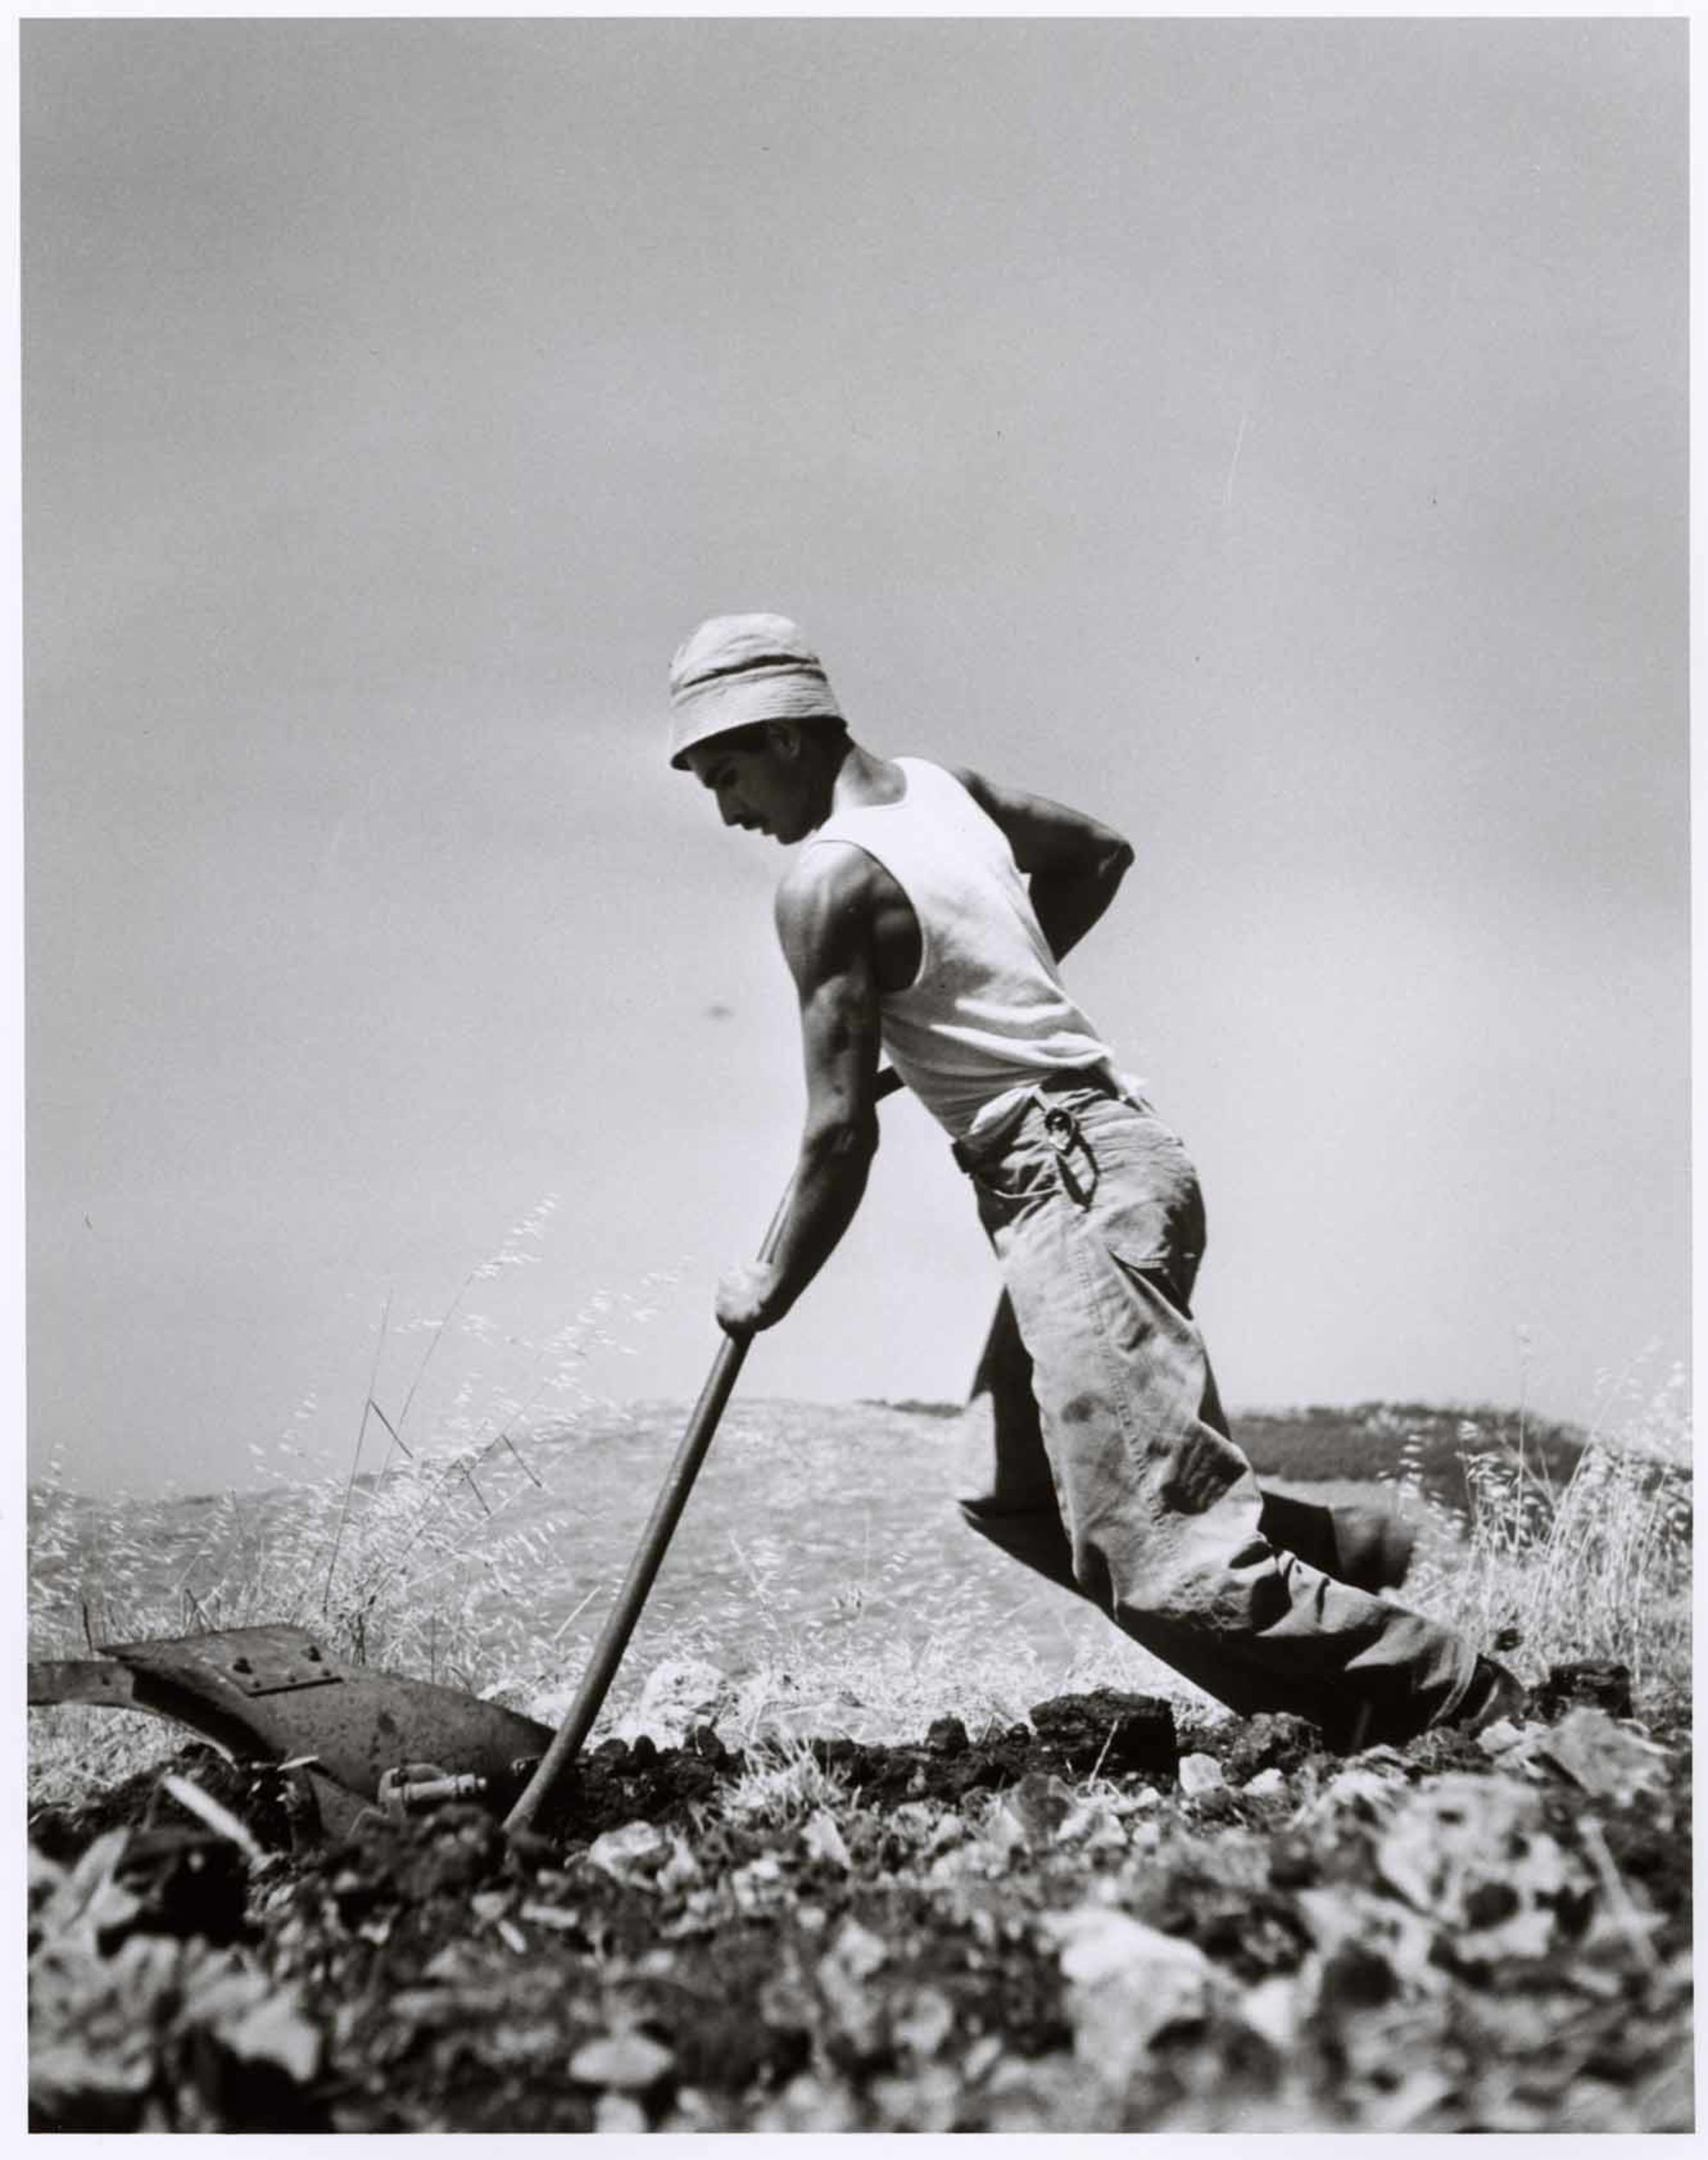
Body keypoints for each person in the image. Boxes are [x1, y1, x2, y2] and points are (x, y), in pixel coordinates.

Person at [667, 611, 1524, 1750]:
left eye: (727, 774)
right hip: (1103, 1160)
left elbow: (835, 1138)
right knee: (1004, 1491)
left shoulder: (824, 885)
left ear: (786, 737)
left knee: (1162, 1562)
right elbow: (1097, 853)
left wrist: (766, 1284)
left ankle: (1465, 1703)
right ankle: (1341, 1558)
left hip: (1068, 1180)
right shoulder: (938, 789)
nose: (730, 813)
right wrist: (971, 995)